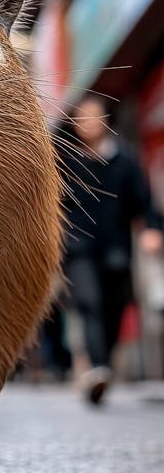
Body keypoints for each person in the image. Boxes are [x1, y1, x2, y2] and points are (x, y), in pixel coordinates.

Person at [60, 94, 163, 404]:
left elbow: (144, 201)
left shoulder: (125, 159)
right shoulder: (65, 160)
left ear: (106, 121)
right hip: (76, 246)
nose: (87, 123)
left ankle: (102, 365)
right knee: (89, 302)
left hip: (115, 246)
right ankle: (99, 368)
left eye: (94, 116)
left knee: (114, 308)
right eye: (82, 117)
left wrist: (153, 229)